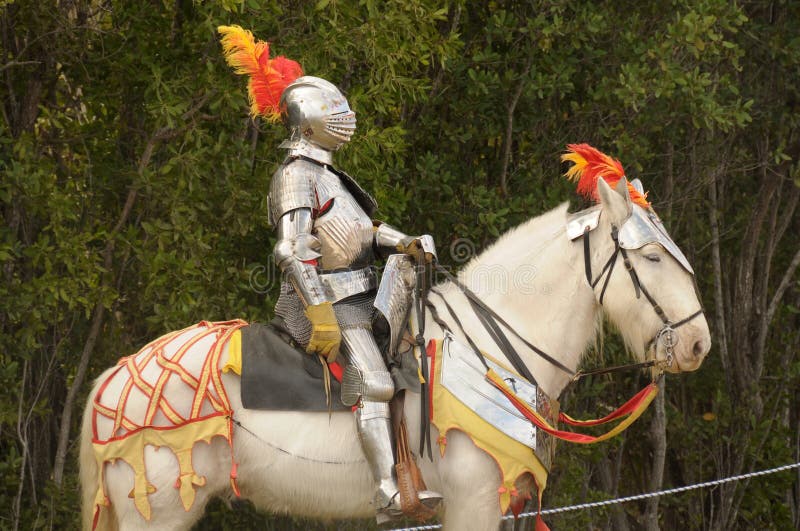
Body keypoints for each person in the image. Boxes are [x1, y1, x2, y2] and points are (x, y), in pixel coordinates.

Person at [219, 26, 442, 523]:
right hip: (328, 304)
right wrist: (319, 312)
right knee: (376, 383)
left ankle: (415, 466)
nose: (347, 117)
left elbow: (364, 231)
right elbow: (293, 250)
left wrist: (404, 241)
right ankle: (387, 491)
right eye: (335, 110)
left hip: (364, 295)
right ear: (307, 123)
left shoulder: (331, 177)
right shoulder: (295, 175)